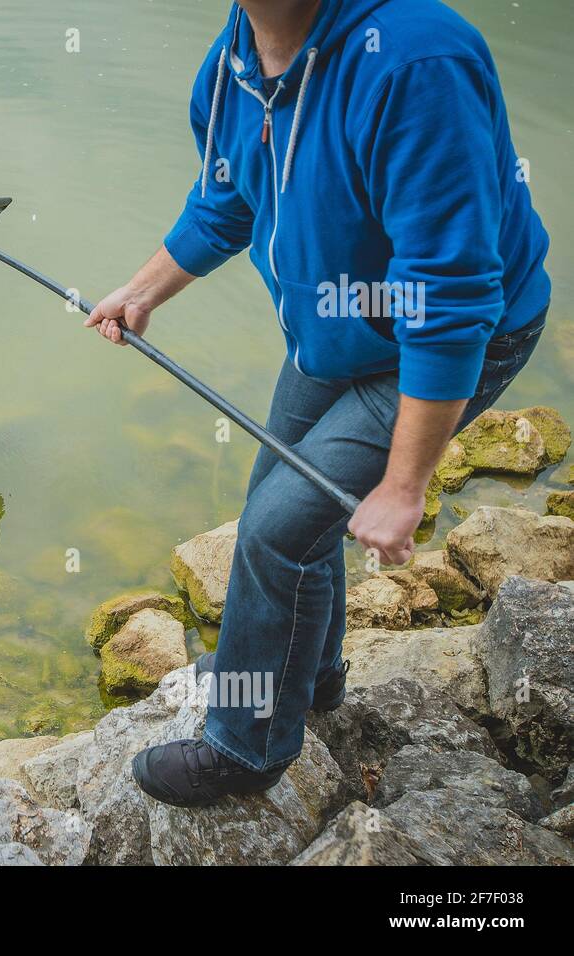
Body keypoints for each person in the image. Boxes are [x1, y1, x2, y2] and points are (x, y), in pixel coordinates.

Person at [86, 0, 549, 806]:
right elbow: (227, 201)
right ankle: (311, 671)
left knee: (279, 530)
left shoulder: (418, 63)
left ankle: (249, 746)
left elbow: (452, 297)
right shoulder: (233, 61)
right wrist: (141, 290)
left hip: (446, 341)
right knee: (279, 503)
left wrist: (404, 489)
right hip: (334, 334)